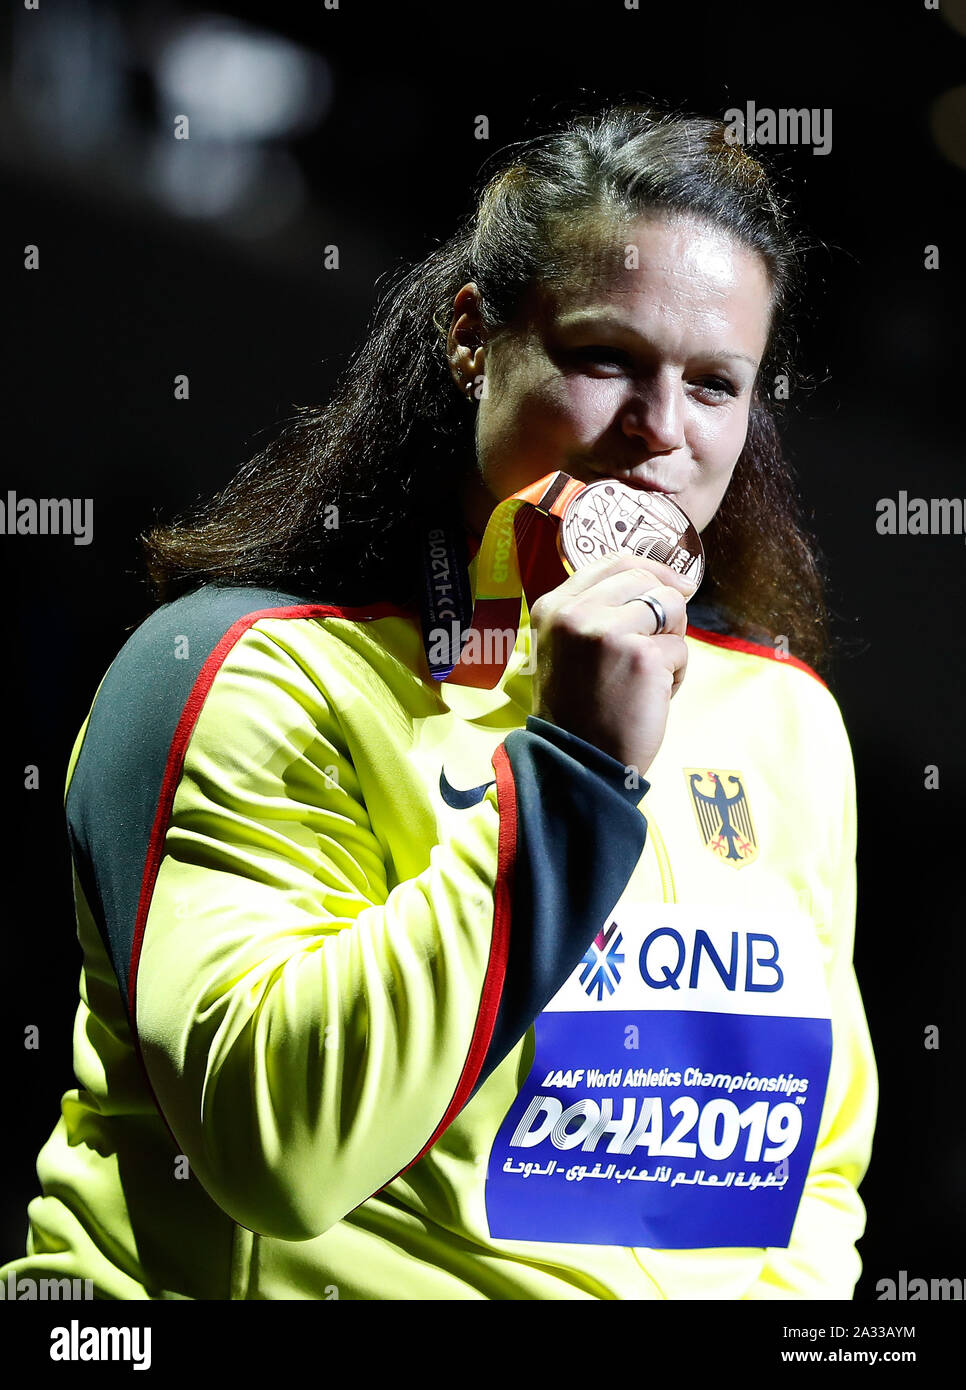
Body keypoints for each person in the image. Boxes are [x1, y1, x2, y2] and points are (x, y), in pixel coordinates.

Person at [1, 102, 877, 1300]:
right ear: (474, 339)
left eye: (716, 385)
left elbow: (816, 1178)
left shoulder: (786, 721)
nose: (660, 431)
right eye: (605, 359)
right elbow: (277, 1152)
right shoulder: (233, 668)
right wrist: (575, 770)